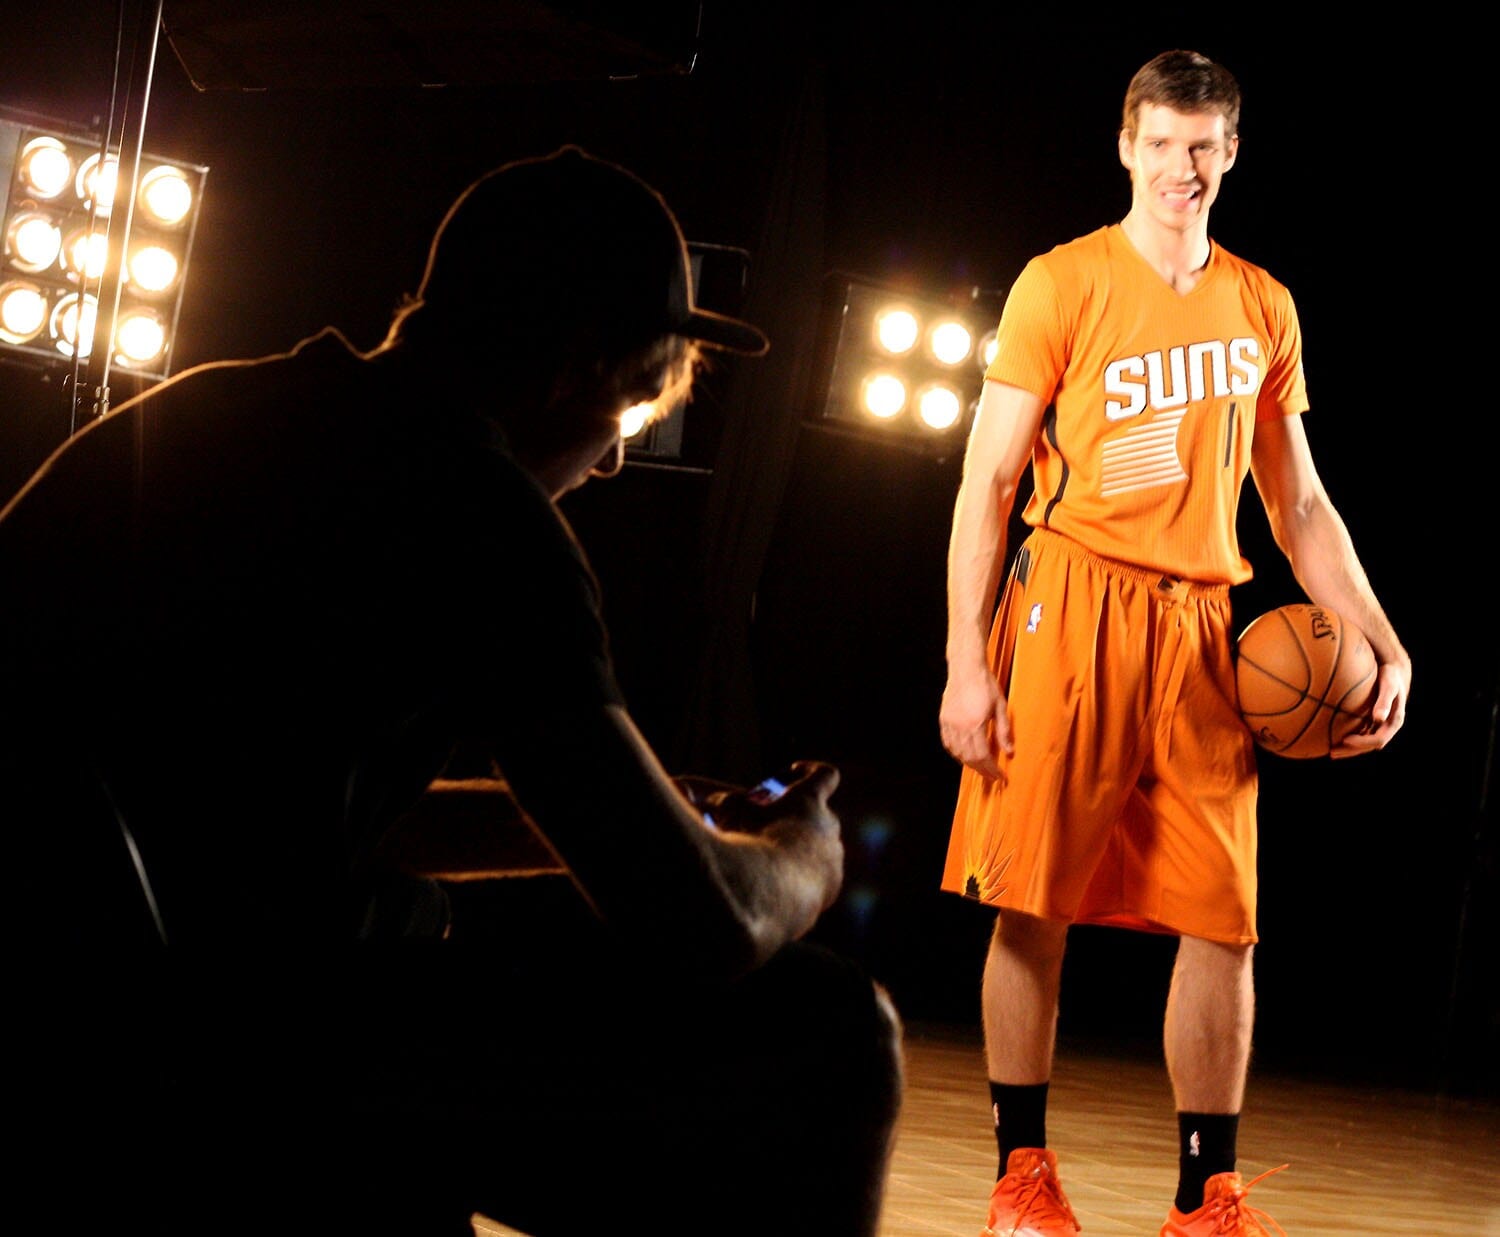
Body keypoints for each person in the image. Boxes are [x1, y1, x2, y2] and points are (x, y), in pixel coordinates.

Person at [1, 145, 902, 1235]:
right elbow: (702, 923)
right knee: (826, 1027)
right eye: (624, 409)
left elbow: (274, 812)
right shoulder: (477, 507)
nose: (611, 465)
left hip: (74, 1000)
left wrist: (654, 809)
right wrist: (798, 855)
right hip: (236, 1043)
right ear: (571, 363)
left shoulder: (200, 417)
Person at [936, 50, 1410, 1237]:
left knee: (1224, 921)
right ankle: (1021, 1180)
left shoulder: (1263, 304)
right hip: (1071, 607)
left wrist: (1380, 640)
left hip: (1205, 631)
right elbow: (987, 482)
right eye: (1161, 142)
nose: (1182, 167)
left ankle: (1205, 1198)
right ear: (1126, 144)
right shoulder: (1061, 282)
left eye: (1204, 146)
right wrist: (965, 660)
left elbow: (1300, 504)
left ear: (1232, 151)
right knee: (1033, 906)